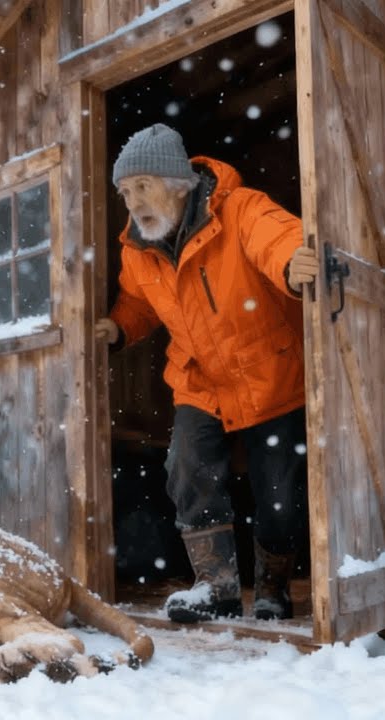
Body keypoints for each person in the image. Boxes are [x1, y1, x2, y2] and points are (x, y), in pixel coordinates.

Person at [94, 123, 319, 623]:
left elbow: (278, 238)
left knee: (278, 493)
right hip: (199, 379)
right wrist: (118, 328)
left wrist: (291, 265)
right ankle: (214, 587)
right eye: (125, 192)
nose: (132, 203)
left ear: (178, 183)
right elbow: (139, 302)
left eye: (142, 186)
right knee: (187, 469)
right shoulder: (139, 246)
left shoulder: (240, 209)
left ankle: (272, 586)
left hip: (269, 372)